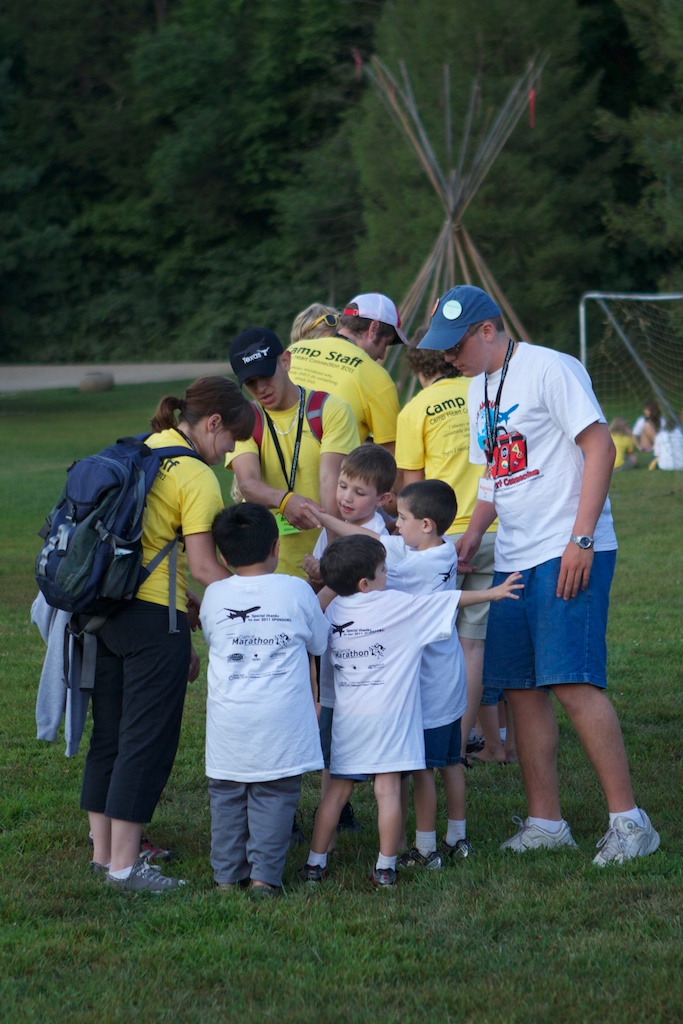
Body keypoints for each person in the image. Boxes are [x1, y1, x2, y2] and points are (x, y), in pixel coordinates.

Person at [419, 284, 660, 865]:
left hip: (567, 547)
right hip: (513, 556)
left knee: (573, 682)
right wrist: (475, 532)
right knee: (522, 690)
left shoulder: (552, 368)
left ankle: (631, 823)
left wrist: (581, 537)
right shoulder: (477, 387)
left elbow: (600, 448)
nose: (448, 357)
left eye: (456, 345)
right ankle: (545, 821)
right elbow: (495, 476)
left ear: (486, 330)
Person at [83, 377, 255, 892]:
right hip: (155, 621)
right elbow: (204, 565)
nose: (228, 454)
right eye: (230, 442)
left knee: (110, 734)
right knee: (146, 742)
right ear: (213, 423)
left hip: (109, 608)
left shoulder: (144, 447)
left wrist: (191, 602)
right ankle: (126, 869)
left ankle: (103, 854)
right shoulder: (196, 475)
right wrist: (257, 599)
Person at [299, 535, 522, 887]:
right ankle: (386, 867)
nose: (390, 573)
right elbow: (449, 600)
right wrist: (493, 593)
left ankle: (315, 863)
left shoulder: (334, 611)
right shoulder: (397, 605)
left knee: (336, 793)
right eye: (384, 569)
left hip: (347, 722)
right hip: (391, 725)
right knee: (387, 792)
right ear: (366, 583)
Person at [201, 503, 329, 897]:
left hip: (228, 722)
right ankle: (263, 879)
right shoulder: (295, 589)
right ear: (276, 546)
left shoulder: (214, 595)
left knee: (226, 796)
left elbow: (211, 639)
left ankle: (226, 877)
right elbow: (320, 642)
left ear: (222, 555)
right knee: (274, 794)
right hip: (282, 721)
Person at [396, 337, 511, 768]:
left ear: (420, 372)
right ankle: (460, 747)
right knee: (473, 647)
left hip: (441, 539)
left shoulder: (414, 411)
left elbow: (413, 490)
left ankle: (429, 736)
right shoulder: (483, 393)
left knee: (429, 641)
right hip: (494, 529)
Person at [301, 443, 396, 840]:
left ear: (383, 499)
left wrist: (317, 595)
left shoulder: (378, 534)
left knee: (362, 731)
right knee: (331, 729)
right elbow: (328, 580)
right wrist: (317, 574)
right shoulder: (332, 530)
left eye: (359, 493)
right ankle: (336, 808)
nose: (346, 498)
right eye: (342, 487)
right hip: (335, 649)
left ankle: (369, 804)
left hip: (366, 653)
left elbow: (347, 583)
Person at [226, 327, 360, 578]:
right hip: (267, 565)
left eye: (266, 375)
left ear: (285, 361)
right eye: (251, 383)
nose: (261, 388)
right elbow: (248, 484)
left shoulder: (329, 409)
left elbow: (331, 483)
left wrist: (329, 559)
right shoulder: (248, 419)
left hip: (325, 555)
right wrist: (285, 501)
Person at [287, 292, 407, 452]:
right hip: (329, 474)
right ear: (373, 328)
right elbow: (391, 459)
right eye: (385, 344)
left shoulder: (293, 351)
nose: (382, 355)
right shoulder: (377, 377)